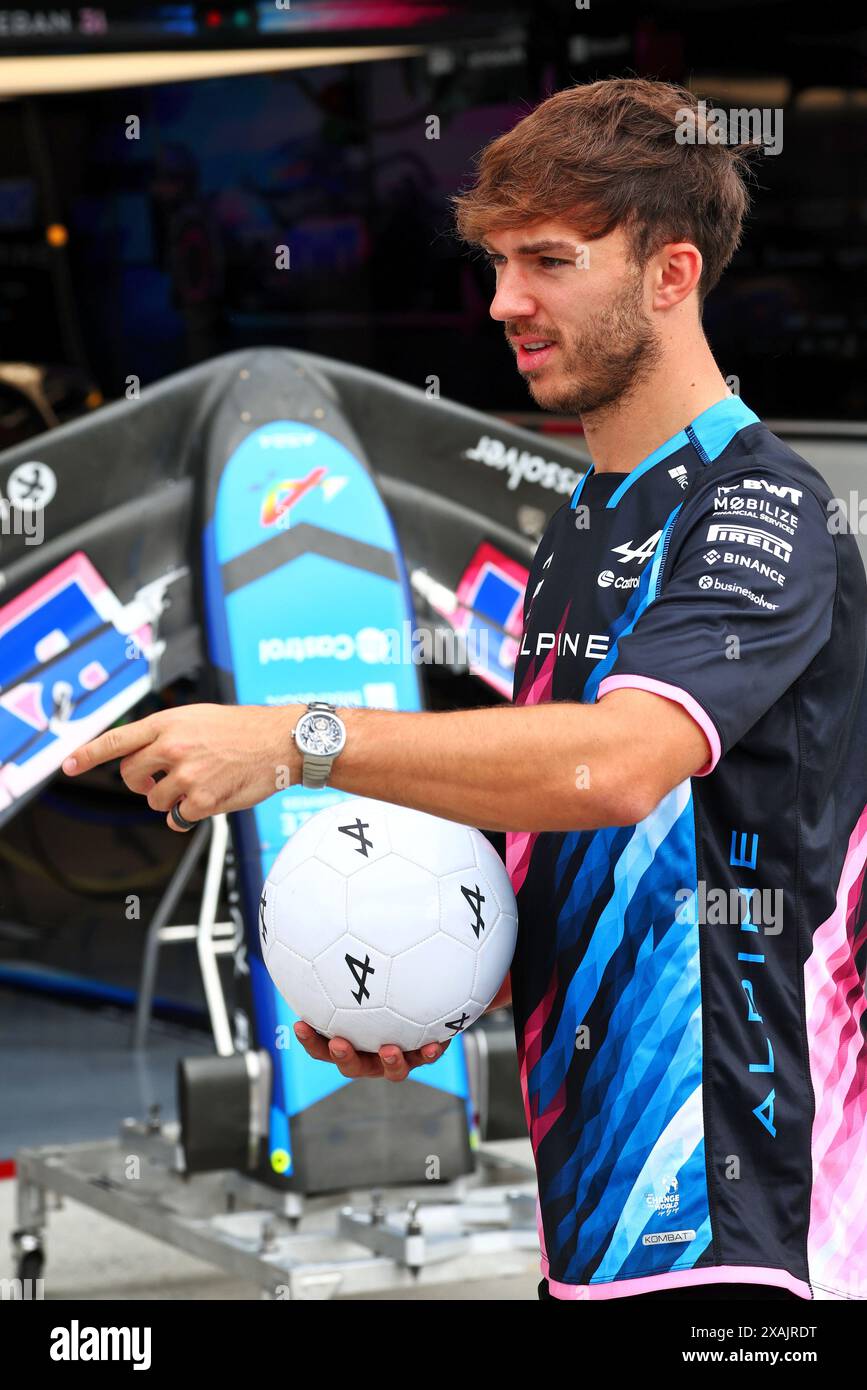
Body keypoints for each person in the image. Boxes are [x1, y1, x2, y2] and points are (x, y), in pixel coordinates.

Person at [63, 78, 867, 1304]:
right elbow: (594, 862)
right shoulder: (582, 528)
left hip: (750, 1223)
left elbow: (618, 764)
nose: (505, 302)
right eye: (495, 262)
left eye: (549, 259)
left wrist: (297, 739)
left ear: (672, 273)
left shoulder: (763, 506)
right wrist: (426, 987)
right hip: (588, 1222)